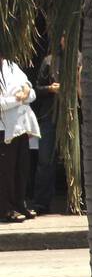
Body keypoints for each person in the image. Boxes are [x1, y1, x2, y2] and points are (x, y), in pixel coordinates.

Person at [31, 33, 82, 214]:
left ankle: (77, 202)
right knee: (46, 160)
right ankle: (41, 203)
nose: (66, 41)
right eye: (63, 37)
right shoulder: (49, 61)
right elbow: (36, 89)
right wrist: (50, 89)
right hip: (50, 115)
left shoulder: (81, 60)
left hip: (74, 116)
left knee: (76, 160)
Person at [0, 52, 40, 222]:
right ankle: (5, 208)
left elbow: (30, 91)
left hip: (21, 127)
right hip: (4, 129)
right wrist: (19, 99)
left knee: (22, 168)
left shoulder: (12, 66)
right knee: (5, 171)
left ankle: (19, 203)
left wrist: (25, 94)